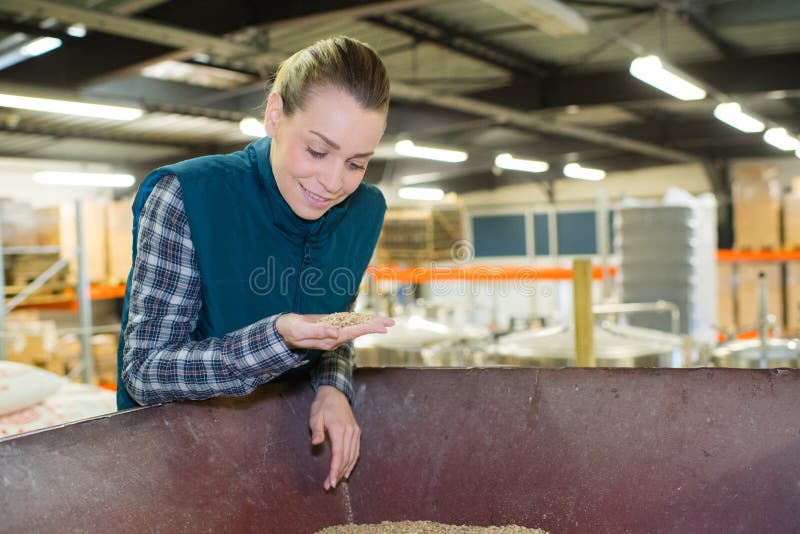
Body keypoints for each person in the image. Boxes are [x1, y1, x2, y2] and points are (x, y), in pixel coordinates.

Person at [116, 36, 394, 492]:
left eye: (357, 164)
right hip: (176, 464)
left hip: (287, 459)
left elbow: (335, 323)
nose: (332, 182)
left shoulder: (365, 211)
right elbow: (144, 372)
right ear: (275, 114)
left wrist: (332, 385)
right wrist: (275, 338)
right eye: (318, 152)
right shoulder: (187, 198)